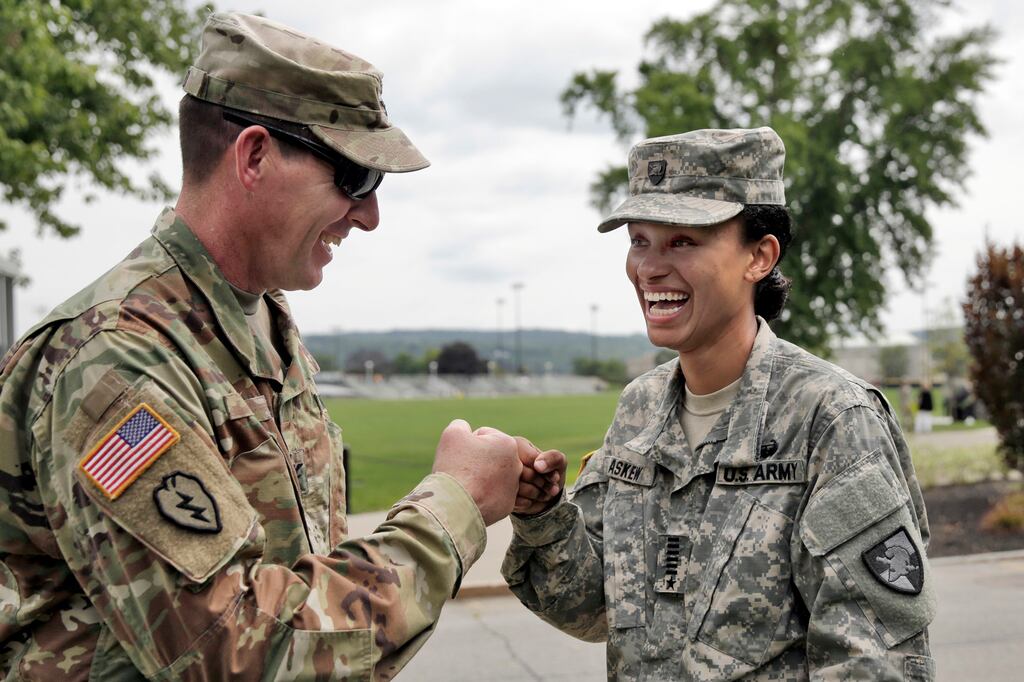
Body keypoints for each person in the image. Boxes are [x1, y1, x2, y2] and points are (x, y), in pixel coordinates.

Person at [0, 13, 525, 680]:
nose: (369, 215)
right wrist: (454, 503)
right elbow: (242, 652)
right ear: (253, 156)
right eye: (355, 178)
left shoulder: (259, 325)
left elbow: (303, 583)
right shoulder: (115, 362)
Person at [505, 128, 937, 680]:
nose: (650, 268)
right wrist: (544, 515)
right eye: (640, 240)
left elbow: (877, 662)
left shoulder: (830, 419)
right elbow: (594, 609)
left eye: (683, 241)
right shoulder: (641, 409)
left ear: (760, 256)